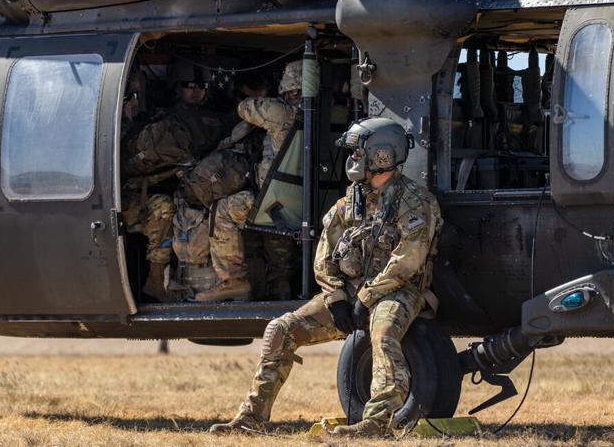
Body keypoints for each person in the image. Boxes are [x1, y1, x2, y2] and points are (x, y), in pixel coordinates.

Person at [208, 117, 442, 437]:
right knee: (281, 329)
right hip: (353, 294)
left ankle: (378, 423)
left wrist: (367, 297)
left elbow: (408, 260)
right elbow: (325, 256)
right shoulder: (351, 201)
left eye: (358, 153)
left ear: (382, 155)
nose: (352, 160)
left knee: (384, 330)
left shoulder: (416, 201)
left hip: (398, 291)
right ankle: (251, 418)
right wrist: (336, 298)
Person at [192, 61, 303, 302]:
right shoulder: (330, 114)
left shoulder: (283, 112)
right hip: (304, 203)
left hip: (275, 202)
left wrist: (257, 96)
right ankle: (280, 285)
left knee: (222, 210)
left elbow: (244, 108)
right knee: (275, 233)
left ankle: (233, 281)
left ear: (290, 90)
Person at [121, 61, 229, 302]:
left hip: (194, 188)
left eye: (201, 86)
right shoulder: (159, 121)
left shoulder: (216, 119)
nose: (196, 91)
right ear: (176, 88)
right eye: (189, 85)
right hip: (144, 195)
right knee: (164, 209)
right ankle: (156, 279)